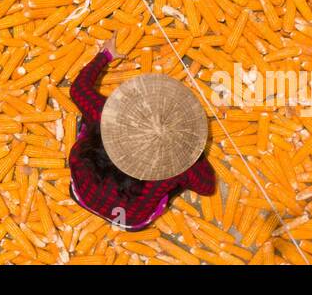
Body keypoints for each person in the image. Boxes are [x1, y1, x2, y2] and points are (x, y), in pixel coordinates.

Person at [69, 37, 216, 230]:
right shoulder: (174, 164)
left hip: (82, 194)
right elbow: (207, 186)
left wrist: (105, 55)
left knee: (89, 126)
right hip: (131, 219)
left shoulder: (105, 114)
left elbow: (78, 89)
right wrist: (192, 156)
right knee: (173, 186)